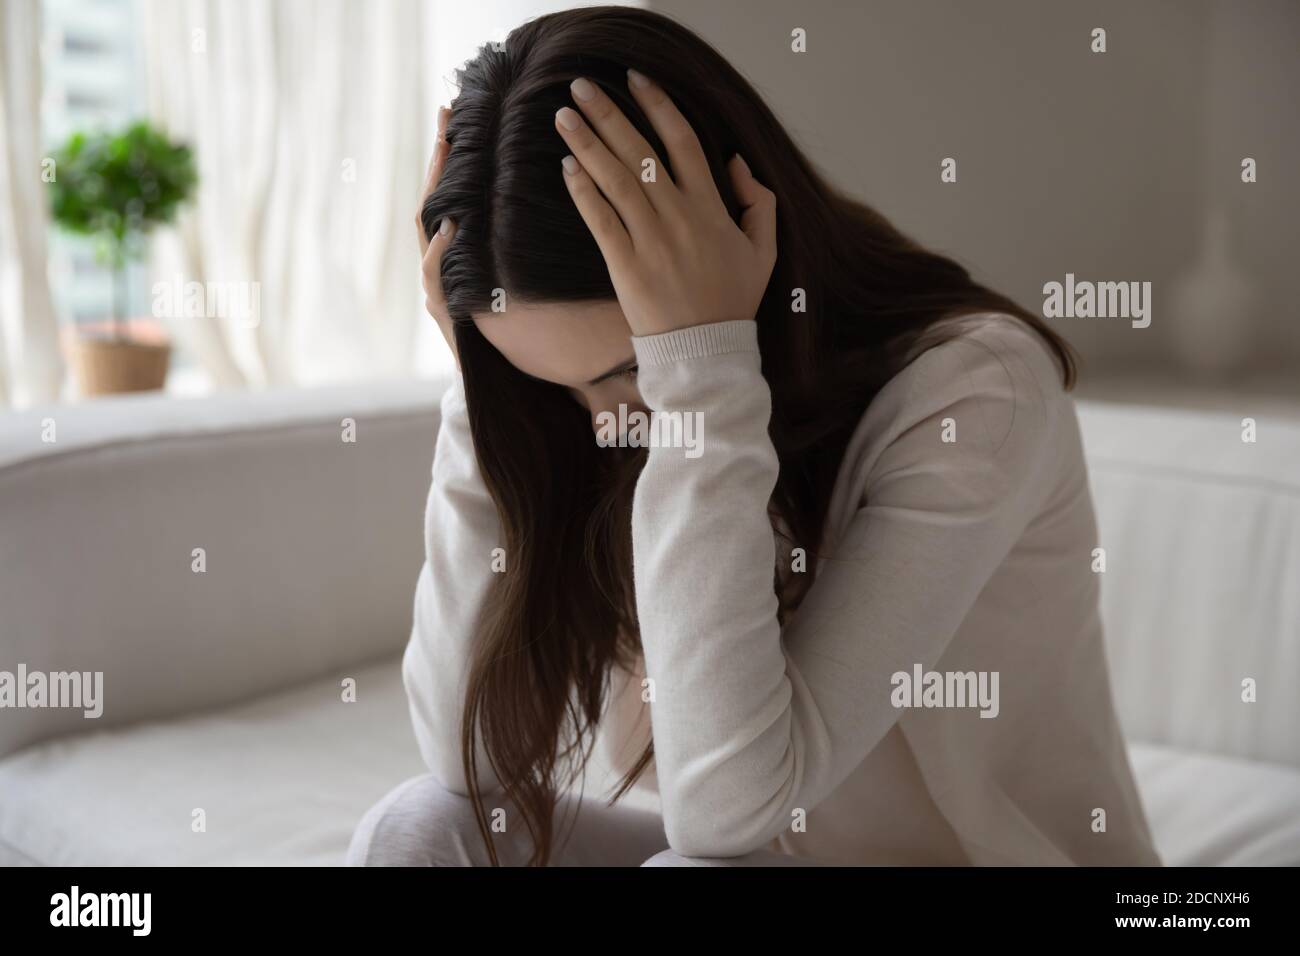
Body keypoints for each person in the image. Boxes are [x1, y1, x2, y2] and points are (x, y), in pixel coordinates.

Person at [348, 5, 1161, 867]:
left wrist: (700, 369)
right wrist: (487, 395)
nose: (605, 424)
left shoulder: (976, 391)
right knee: (419, 829)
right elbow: (465, 757)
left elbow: (724, 810)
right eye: (554, 386)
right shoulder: (570, 412)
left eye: (630, 369)